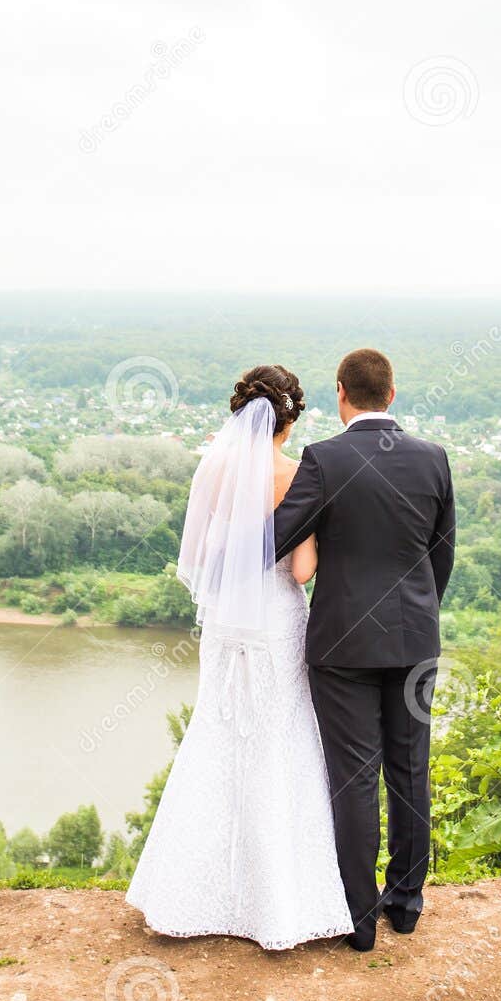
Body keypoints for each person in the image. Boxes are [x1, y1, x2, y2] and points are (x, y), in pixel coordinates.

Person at [126, 364, 352, 950]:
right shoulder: (298, 473)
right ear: (292, 416)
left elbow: (200, 558)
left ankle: (187, 895)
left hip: (226, 625)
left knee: (217, 736)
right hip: (276, 620)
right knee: (280, 742)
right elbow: (301, 570)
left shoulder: (215, 467)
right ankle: (276, 906)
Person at [273, 348, 455, 952]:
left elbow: (278, 539)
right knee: (410, 771)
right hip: (414, 641)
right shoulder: (433, 459)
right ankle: (406, 905)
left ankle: (358, 920)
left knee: (354, 778)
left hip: (342, 646)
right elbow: (441, 554)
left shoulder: (323, 459)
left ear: (341, 392)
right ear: (393, 395)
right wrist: (419, 614)